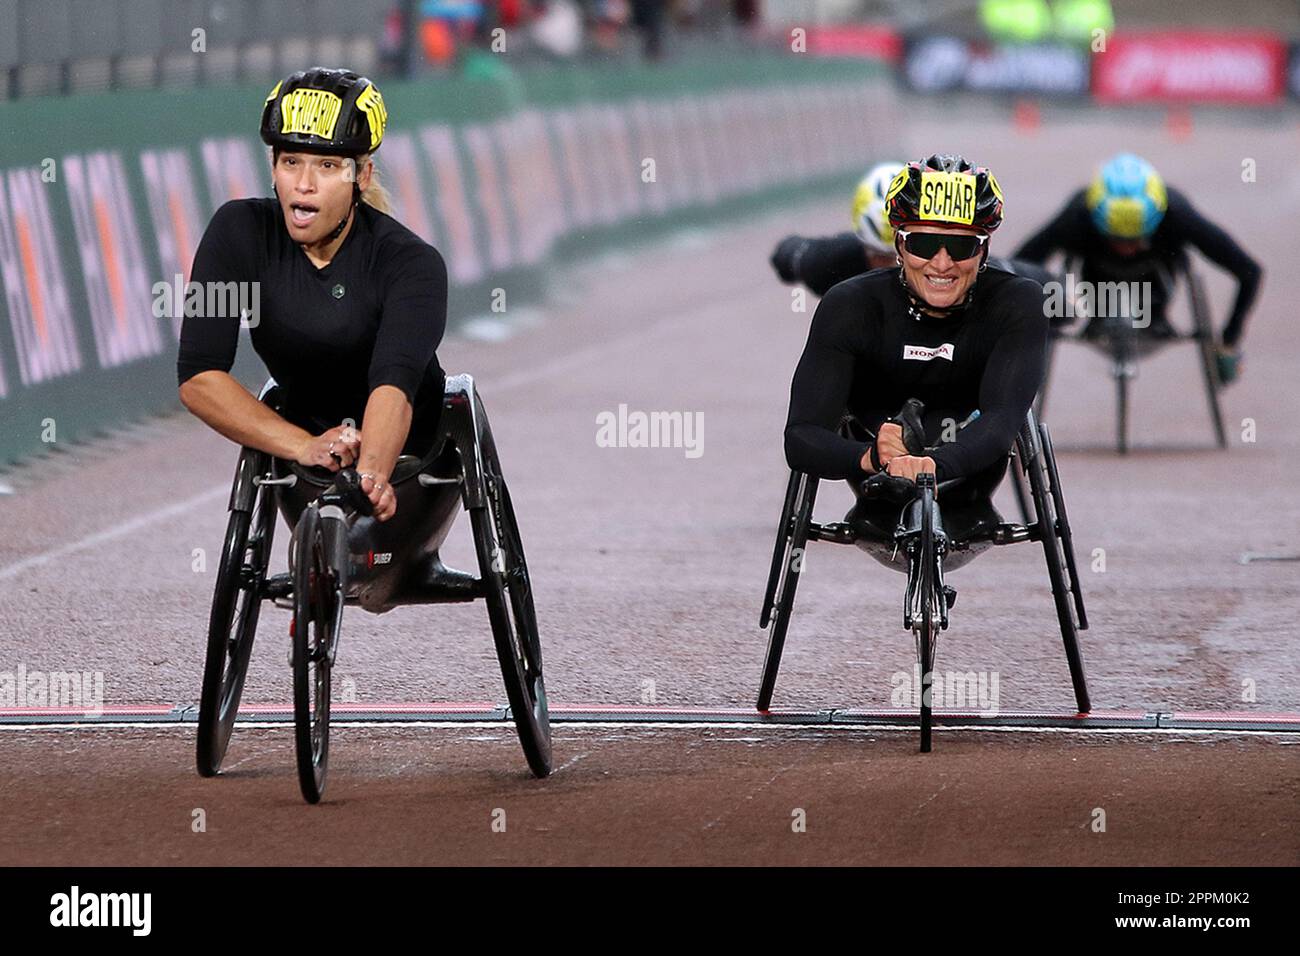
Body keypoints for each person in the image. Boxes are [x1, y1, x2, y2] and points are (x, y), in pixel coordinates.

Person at [177, 67, 449, 524]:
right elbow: (199, 376)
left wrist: (372, 475)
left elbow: (393, 387)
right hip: (304, 444)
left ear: (361, 176)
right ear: (273, 168)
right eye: (290, 162)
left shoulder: (410, 263)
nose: (303, 184)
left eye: (326, 166)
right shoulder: (238, 234)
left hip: (410, 456)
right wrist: (304, 445)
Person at [783, 154, 1046, 507]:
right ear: (901, 246)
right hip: (875, 461)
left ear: (983, 251)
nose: (941, 263)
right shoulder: (849, 303)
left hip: (970, 466)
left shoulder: (1018, 301)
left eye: (961, 246)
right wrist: (871, 456)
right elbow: (801, 436)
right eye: (924, 244)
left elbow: (1003, 419)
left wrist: (934, 463)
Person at [1015, 152, 1262, 383]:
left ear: (1156, 218)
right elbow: (1017, 269)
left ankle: (1152, 311)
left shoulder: (1176, 214)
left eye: (1135, 240)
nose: (1126, 250)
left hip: (1155, 307)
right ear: (1096, 217)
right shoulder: (1078, 216)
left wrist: (1229, 341)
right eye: (1116, 239)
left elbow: (1249, 271)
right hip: (1098, 307)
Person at [770, 161, 1063, 300]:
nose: (898, 268)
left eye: (919, 245)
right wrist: (789, 257)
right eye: (882, 258)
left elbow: (1019, 276)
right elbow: (789, 254)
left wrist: (1057, 296)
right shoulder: (831, 260)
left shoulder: (963, 266)